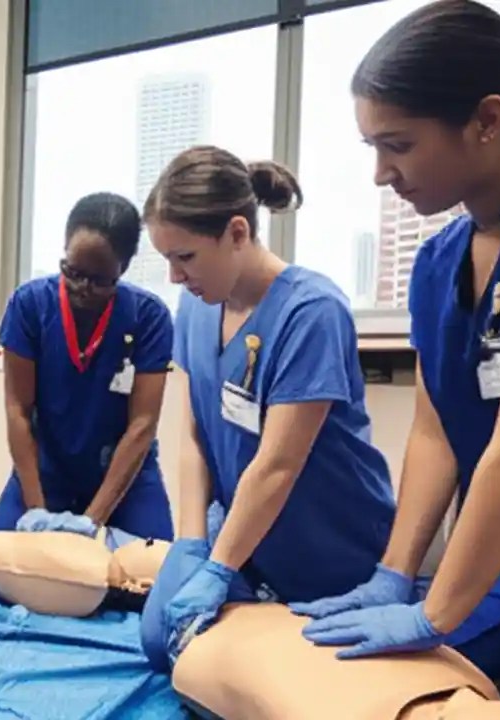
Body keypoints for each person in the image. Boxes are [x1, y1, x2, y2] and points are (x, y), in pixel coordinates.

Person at [291, 0, 500, 688]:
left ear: (487, 120)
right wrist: (395, 576)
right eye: (373, 148)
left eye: (399, 145)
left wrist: (436, 615)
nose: (381, 173)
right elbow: (434, 432)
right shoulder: (437, 261)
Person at [138, 145, 397, 669]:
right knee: (160, 639)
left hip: (326, 540)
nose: (175, 277)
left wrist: (218, 568)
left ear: (237, 232)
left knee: (262, 673)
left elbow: (278, 465)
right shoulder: (196, 307)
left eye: (185, 257)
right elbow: (194, 437)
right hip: (242, 538)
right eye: (166, 260)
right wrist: (192, 543)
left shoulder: (311, 311)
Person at [0, 192, 175, 541]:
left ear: (123, 268)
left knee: (151, 567)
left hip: (125, 474)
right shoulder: (30, 305)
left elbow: (142, 424)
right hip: (47, 468)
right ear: (64, 249)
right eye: (72, 272)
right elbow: (17, 410)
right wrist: (36, 509)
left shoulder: (148, 317)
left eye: (100, 280)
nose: (82, 288)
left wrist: (92, 521)